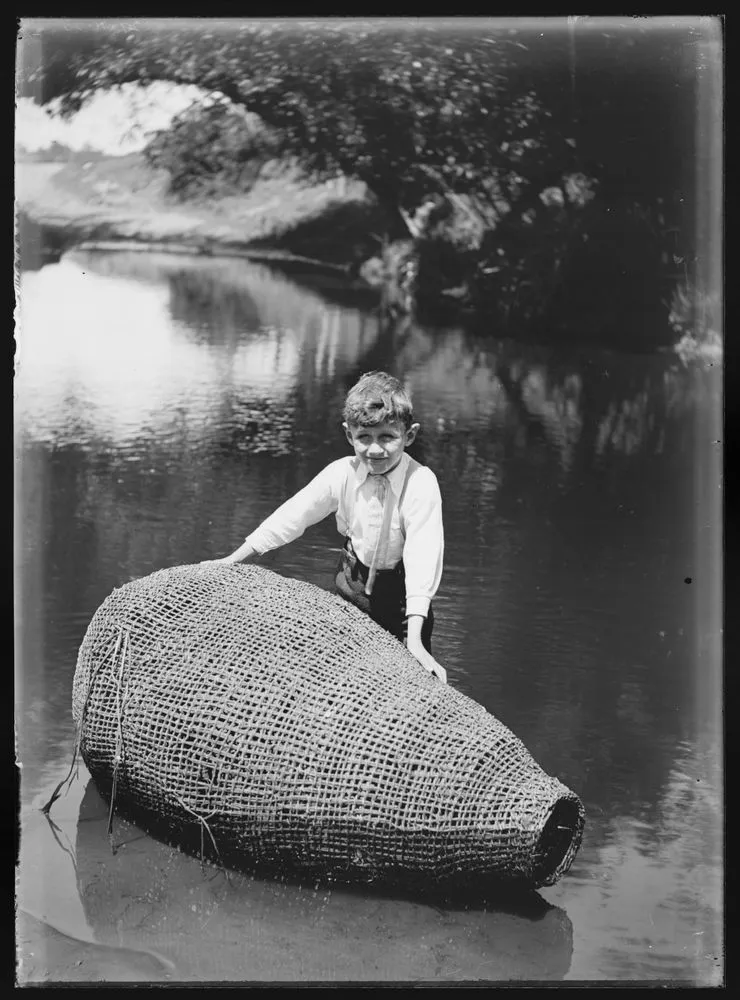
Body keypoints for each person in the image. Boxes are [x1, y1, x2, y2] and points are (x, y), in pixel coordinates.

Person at [203, 371, 447, 683]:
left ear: (409, 435)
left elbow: (423, 558)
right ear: (349, 435)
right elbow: (292, 516)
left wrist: (414, 640)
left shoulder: (421, 483)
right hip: (351, 590)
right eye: (364, 438)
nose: (375, 450)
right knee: (338, 683)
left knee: (408, 683)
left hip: (403, 606)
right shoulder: (341, 473)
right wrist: (233, 559)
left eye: (387, 437)